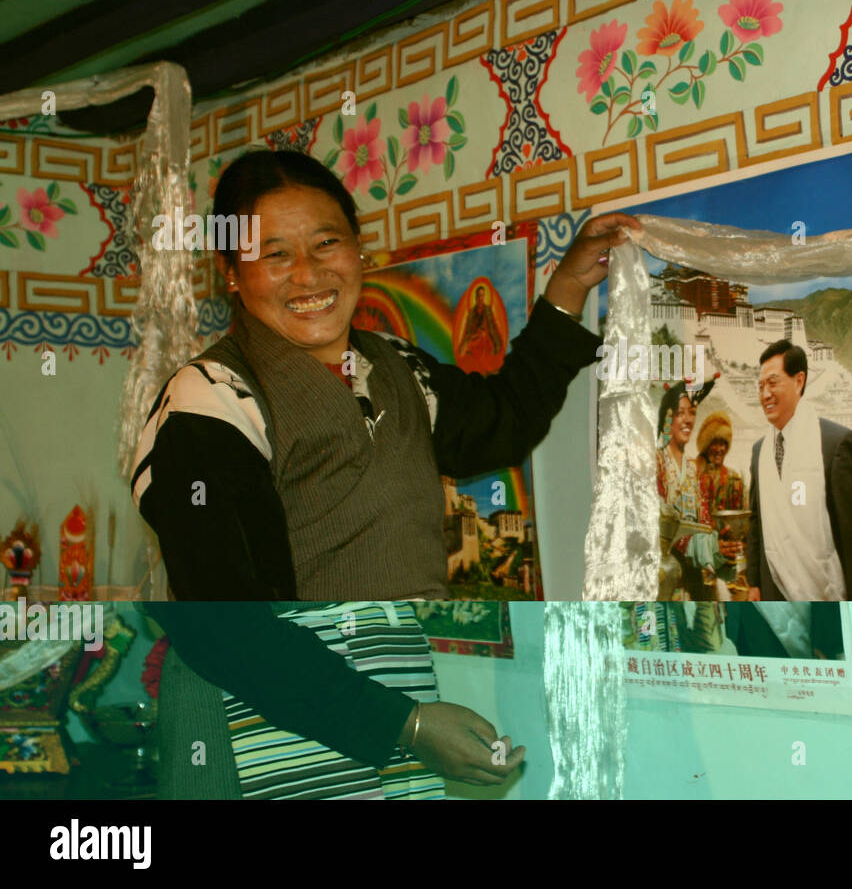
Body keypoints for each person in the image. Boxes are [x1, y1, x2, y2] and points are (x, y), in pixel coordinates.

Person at [131, 148, 638, 796]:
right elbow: (224, 622)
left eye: (325, 243)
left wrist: (567, 287)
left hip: (383, 690)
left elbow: (503, 419)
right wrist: (409, 726)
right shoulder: (207, 400)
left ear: (359, 250)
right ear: (231, 273)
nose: (307, 274)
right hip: (247, 711)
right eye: (274, 254)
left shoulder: (395, 369)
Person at [746, 339, 852, 601]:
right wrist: (754, 582)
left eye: (773, 383)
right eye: (760, 387)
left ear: (799, 380)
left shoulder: (834, 444)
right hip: (775, 595)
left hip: (826, 594)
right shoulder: (760, 452)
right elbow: (756, 523)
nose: (765, 395)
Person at [655, 378, 740, 600]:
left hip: (696, 582)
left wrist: (720, 547)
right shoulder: (656, 465)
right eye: (681, 412)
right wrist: (711, 547)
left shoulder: (694, 470)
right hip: (662, 580)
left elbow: (702, 527)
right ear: (668, 416)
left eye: (692, 413)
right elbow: (665, 531)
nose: (687, 419)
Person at [694, 410, 749, 598]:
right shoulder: (692, 477)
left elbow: (744, 520)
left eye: (723, 444)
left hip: (730, 557)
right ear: (706, 445)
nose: (719, 449)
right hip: (701, 558)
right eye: (714, 443)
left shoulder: (734, 479)